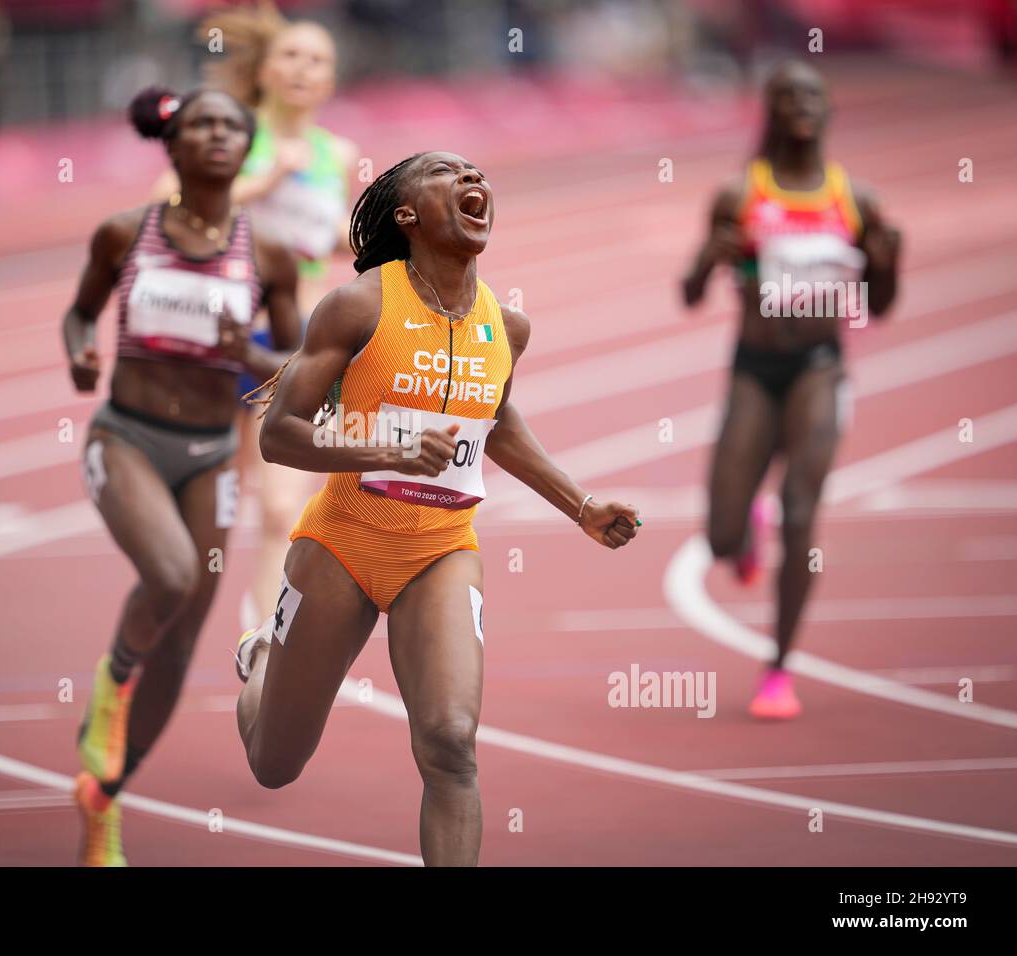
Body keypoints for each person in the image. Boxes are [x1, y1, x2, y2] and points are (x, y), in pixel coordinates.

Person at [233, 151, 640, 866]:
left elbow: (499, 425)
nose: (472, 181)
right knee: (275, 765)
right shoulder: (358, 304)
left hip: (442, 551)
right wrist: (384, 450)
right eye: (447, 174)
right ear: (407, 214)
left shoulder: (506, 326)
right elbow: (278, 433)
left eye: (478, 173)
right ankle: (266, 651)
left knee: (451, 743)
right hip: (341, 544)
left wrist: (581, 505)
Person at [62, 85, 300, 865]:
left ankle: (105, 799)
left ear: (247, 147)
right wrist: (79, 354)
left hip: (209, 456)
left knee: (183, 641)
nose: (219, 135)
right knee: (167, 576)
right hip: (128, 437)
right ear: (173, 145)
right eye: (203, 123)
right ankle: (109, 684)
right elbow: (78, 313)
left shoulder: (268, 256)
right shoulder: (124, 234)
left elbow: (296, 373)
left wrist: (249, 354)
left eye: (234, 125)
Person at [682, 60, 901, 720]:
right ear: (770, 111)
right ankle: (742, 531)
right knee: (718, 538)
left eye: (812, 95)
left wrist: (888, 264)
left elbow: (882, 304)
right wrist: (708, 258)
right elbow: (690, 294)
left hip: (820, 367)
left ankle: (778, 668)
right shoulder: (738, 194)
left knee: (803, 510)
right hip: (754, 367)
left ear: (829, 109)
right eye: (787, 97)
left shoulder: (855, 200)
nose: (801, 106)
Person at [154, 6, 358, 631]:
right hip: (215, 338)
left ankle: (263, 639)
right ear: (265, 69)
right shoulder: (228, 131)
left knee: (279, 508)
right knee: (201, 509)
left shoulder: (339, 153)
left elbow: (334, 245)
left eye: (318, 60)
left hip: (295, 341)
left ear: (331, 80)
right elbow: (169, 206)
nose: (304, 70)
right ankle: (160, 631)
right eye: (292, 56)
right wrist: (261, 180)